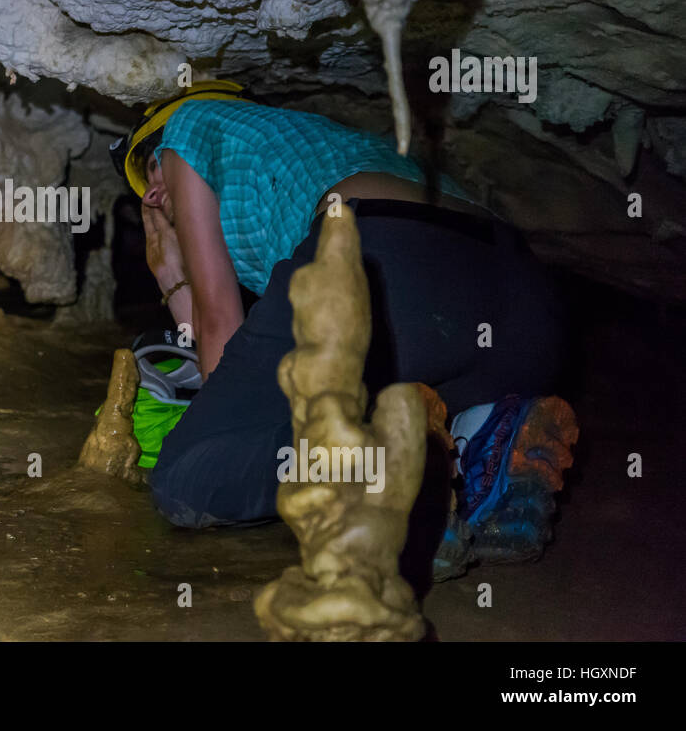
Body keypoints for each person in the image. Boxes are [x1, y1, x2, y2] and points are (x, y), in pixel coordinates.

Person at [110, 80, 573, 570]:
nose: (155, 196)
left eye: (149, 181)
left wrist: (171, 275)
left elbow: (221, 326)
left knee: (187, 478)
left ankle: (377, 453)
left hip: (378, 254)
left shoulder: (185, 131)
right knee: (381, 389)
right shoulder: (309, 155)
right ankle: (491, 432)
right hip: (526, 310)